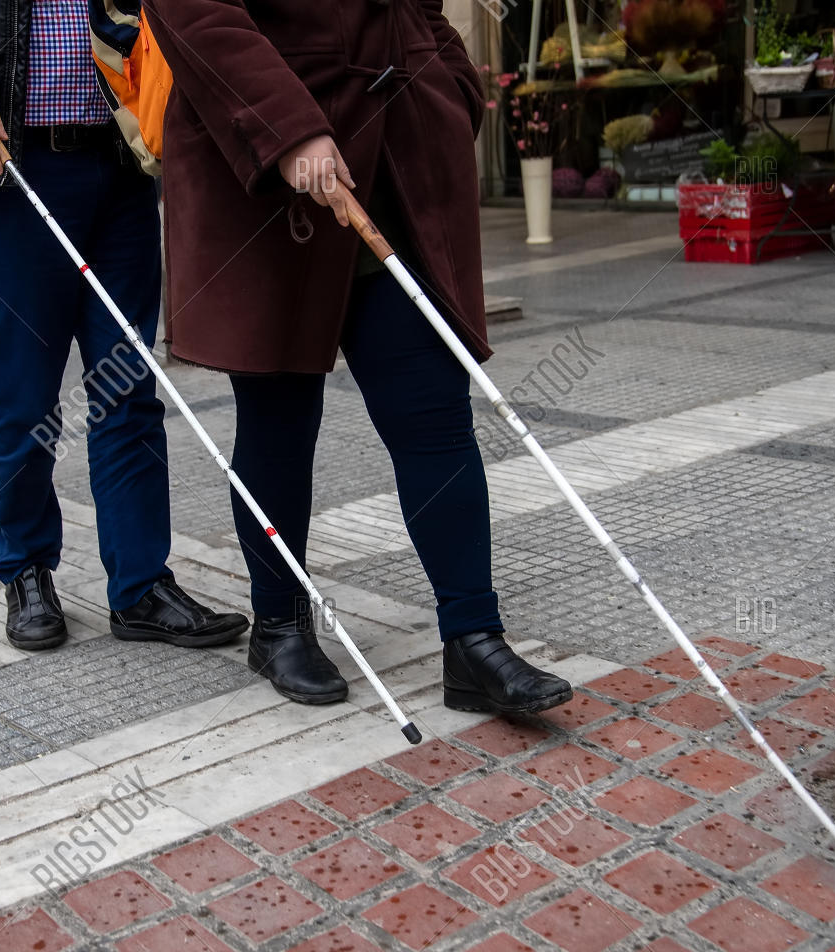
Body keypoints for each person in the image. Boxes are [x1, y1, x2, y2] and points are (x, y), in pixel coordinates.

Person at [146, 0, 572, 714]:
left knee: (434, 411)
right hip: (271, 186)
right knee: (280, 422)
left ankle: (473, 639)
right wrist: (290, 129)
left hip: (392, 173)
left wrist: (451, 86)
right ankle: (278, 624)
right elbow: (194, 10)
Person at [0, 0, 246, 652]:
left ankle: (141, 584)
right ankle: (26, 568)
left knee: (126, 382)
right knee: (25, 391)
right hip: (8, 163)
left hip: (120, 153)